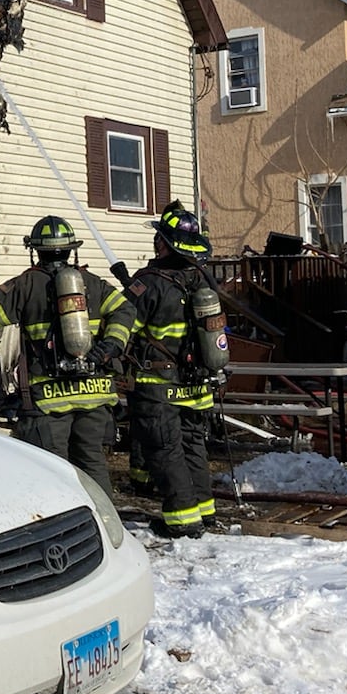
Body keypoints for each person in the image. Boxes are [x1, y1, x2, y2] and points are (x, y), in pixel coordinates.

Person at [0, 215, 134, 491]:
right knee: (92, 465)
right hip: (95, 394)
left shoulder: (24, 286)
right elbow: (126, 309)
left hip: (48, 400)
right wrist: (111, 345)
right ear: (71, 249)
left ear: (36, 250)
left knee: (54, 470)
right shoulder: (93, 283)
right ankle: (106, 526)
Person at [124, 201, 220, 539]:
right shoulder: (203, 278)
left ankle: (182, 520)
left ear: (163, 243)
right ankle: (205, 512)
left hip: (159, 383)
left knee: (166, 449)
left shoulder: (148, 283)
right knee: (194, 445)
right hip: (198, 384)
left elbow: (124, 329)